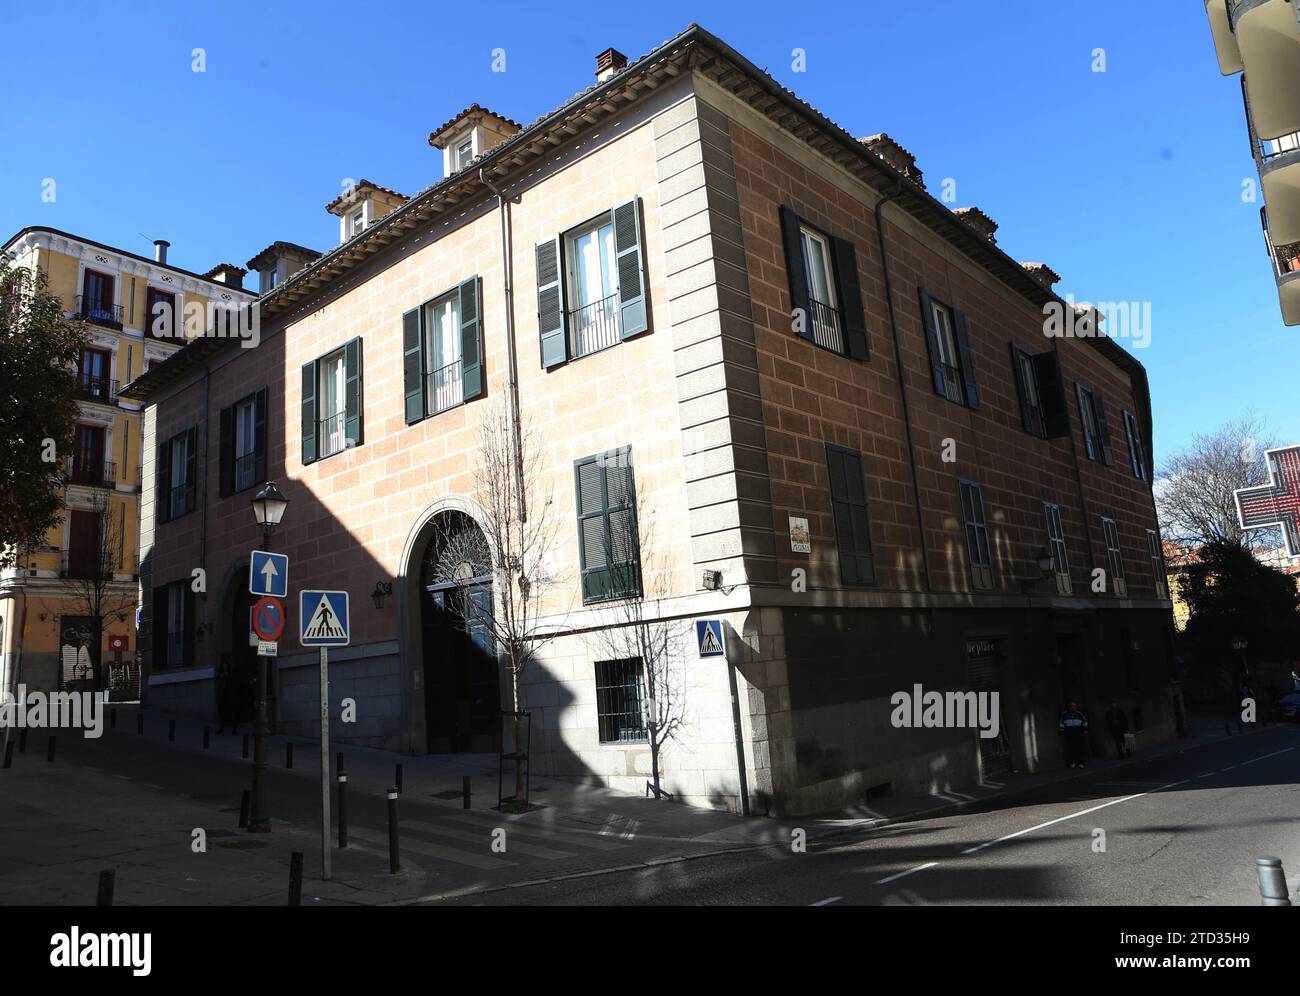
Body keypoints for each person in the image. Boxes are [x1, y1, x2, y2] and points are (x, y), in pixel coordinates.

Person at [1059, 700, 1089, 768]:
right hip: (1069, 733)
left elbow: (1085, 722)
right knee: (1071, 748)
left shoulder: (1079, 714)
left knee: (1079, 748)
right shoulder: (1065, 714)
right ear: (1069, 707)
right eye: (1071, 706)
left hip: (1078, 732)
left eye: (1074, 706)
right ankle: (1073, 762)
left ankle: (1080, 762)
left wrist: (1085, 730)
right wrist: (1061, 732)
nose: (1072, 707)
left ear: (1076, 707)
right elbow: (1061, 724)